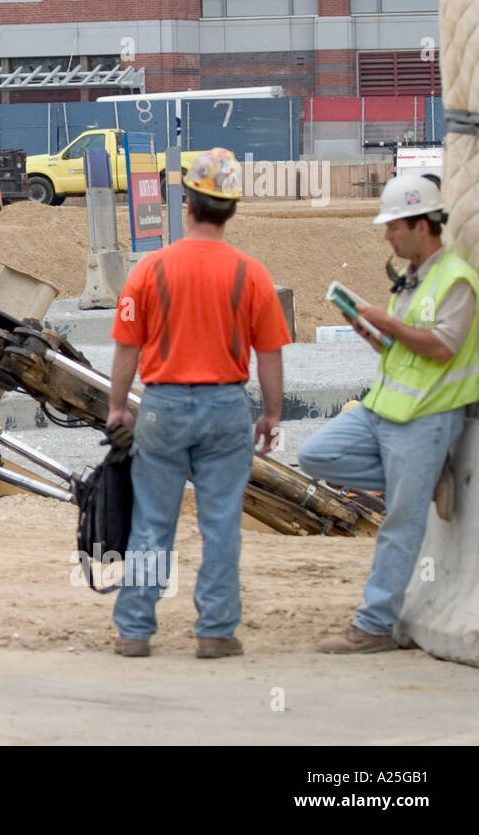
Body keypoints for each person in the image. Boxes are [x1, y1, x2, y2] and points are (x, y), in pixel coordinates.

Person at [106, 147, 291, 659]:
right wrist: (272, 414)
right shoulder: (251, 274)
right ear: (230, 210)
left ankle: (134, 631)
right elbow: (269, 353)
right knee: (221, 522)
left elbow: (127, 347)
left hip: (162, 406)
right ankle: (214, 631)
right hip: (226, 409)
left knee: (151, 523)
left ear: (186, 204)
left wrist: (118, 407)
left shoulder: (150, 270)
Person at [297, 175, 479, 654]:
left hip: (426, 417)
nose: (386, 236)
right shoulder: (414, 279)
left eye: (394, 226)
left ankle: (373, 626)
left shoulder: (457, 280)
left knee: (401, 521)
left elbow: (443, 347)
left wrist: (388, 322)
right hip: (385, 410)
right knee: (316, 454)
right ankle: (423, 475)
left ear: (422, 224)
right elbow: (403, 352)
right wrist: (371, 334)